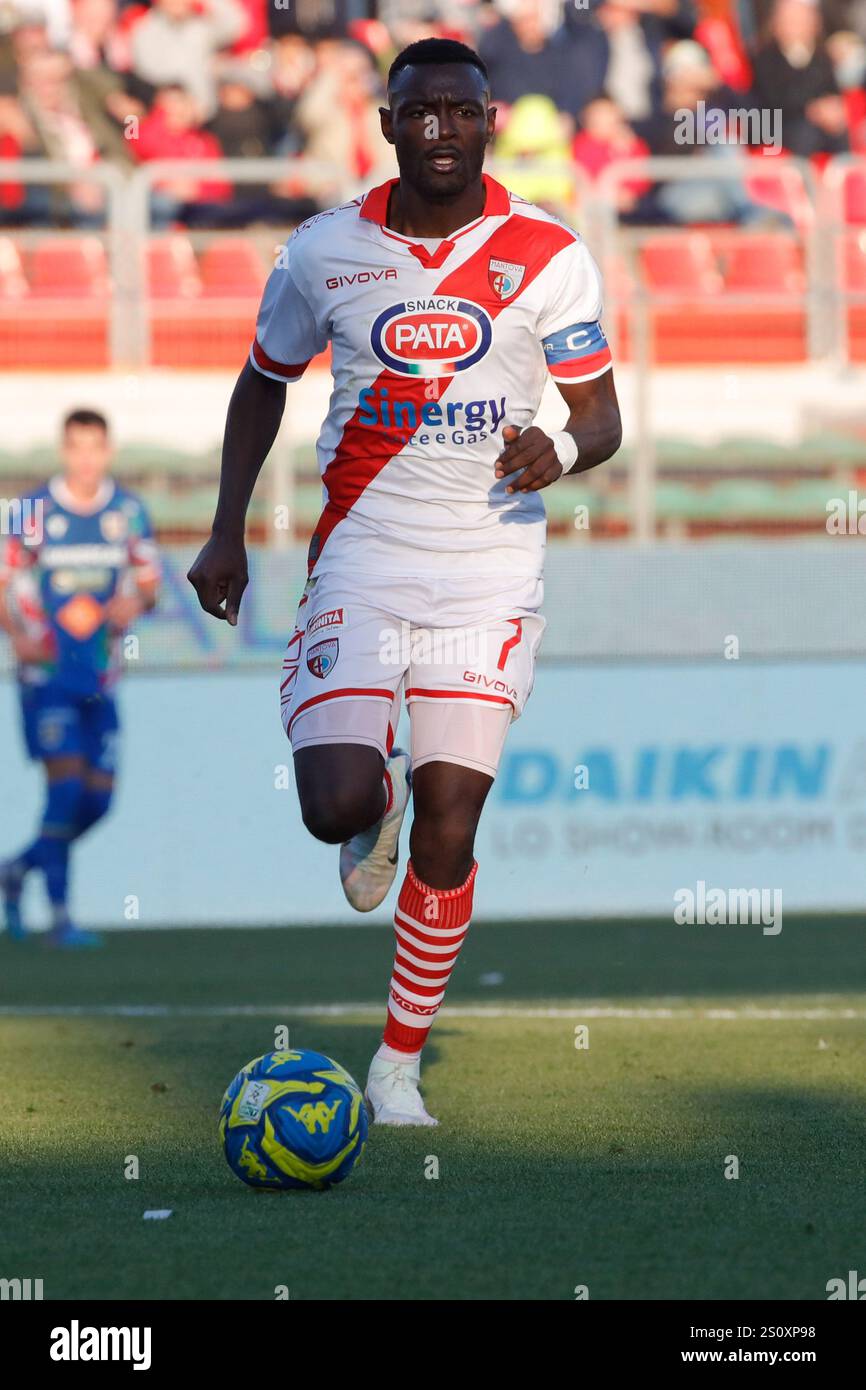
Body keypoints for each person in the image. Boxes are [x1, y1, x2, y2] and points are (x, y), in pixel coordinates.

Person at [187, 37, 621, 1126]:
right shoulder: (323, 251)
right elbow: (259, 384)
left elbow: (601, 416)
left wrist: (559, 452)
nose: (439, 129)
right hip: (363, 562)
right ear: (386, 125)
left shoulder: (549, 251)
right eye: (418, 111)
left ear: (489, 120)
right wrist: (225, 529)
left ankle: (394, 1064)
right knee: (335, 802)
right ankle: (365, 787)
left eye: (459, 111)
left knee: (449, 827)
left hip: (487, 570)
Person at [0, 409, 160, 946]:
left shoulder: (128, 512)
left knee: (97, 801)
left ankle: (17, 870)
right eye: (76, 447)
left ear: (107, 451)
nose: (86, 459)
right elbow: (3, 579)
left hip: (101, 679)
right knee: (65, 789)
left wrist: (131, 603)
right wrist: (16, 634)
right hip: (44, 675)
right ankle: (61, 917)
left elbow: (150, 585)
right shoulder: (32, 510)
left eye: (95, 447)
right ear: (64, 451)